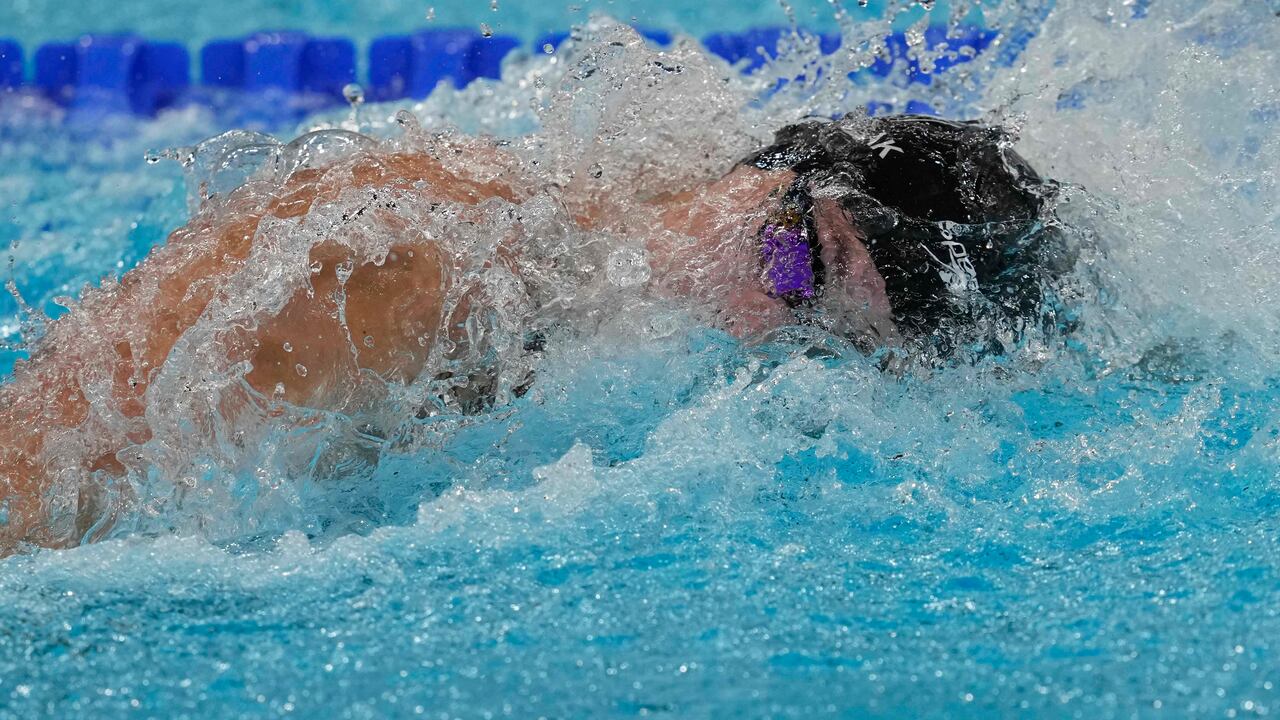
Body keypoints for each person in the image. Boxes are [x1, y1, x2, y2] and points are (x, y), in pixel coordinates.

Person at [0, 112, 1062, 553]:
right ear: (758, 174)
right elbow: (38, 493)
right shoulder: (397, 261)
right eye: (790, 267)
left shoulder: (554, 331)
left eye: (810, 341)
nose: (749, 328)